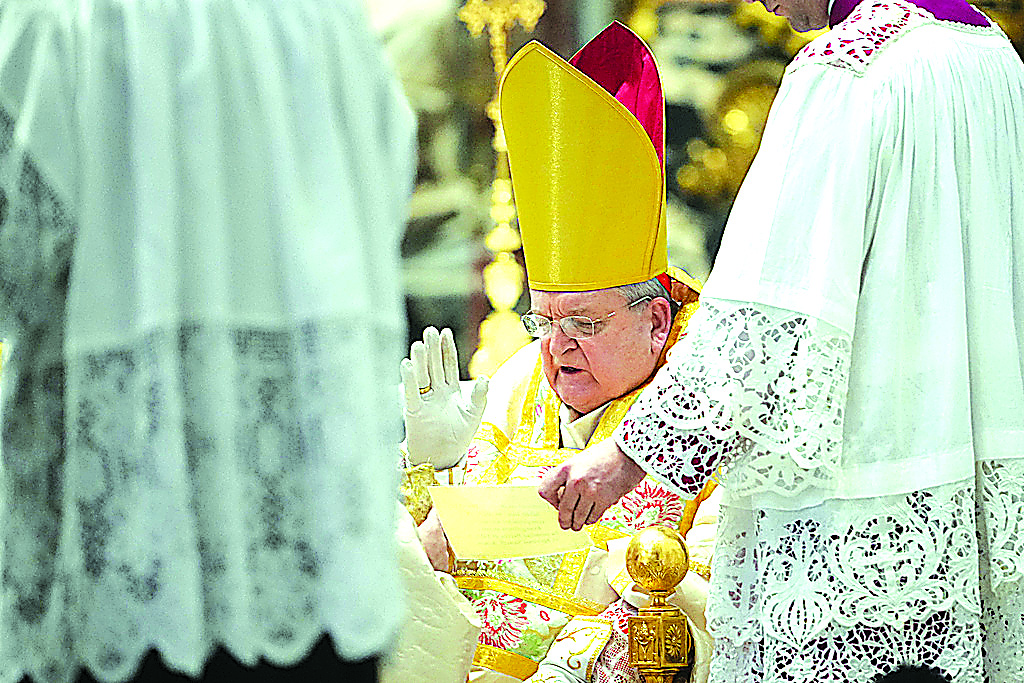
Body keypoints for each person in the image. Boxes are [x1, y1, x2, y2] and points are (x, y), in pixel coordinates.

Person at [537, 0, 1024, 681]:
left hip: (856, 510)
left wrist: (624, 457)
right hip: (973, 495)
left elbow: (765, 315)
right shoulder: (992, 55)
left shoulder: (843, 70)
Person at [0, 1, 415, 682]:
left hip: (126, 557)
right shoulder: (330, 23)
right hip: (311, 555)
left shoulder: (56, 18)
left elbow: (15, 264)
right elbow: (385, 203)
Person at [397, 23, 719, 683]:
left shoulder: (712, 397)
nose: (556, 348)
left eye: (582, 322)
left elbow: (703, 600)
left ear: (656, 320)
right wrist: (431, 476)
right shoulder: (517, 380)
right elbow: (431, 578)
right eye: (543, 320)